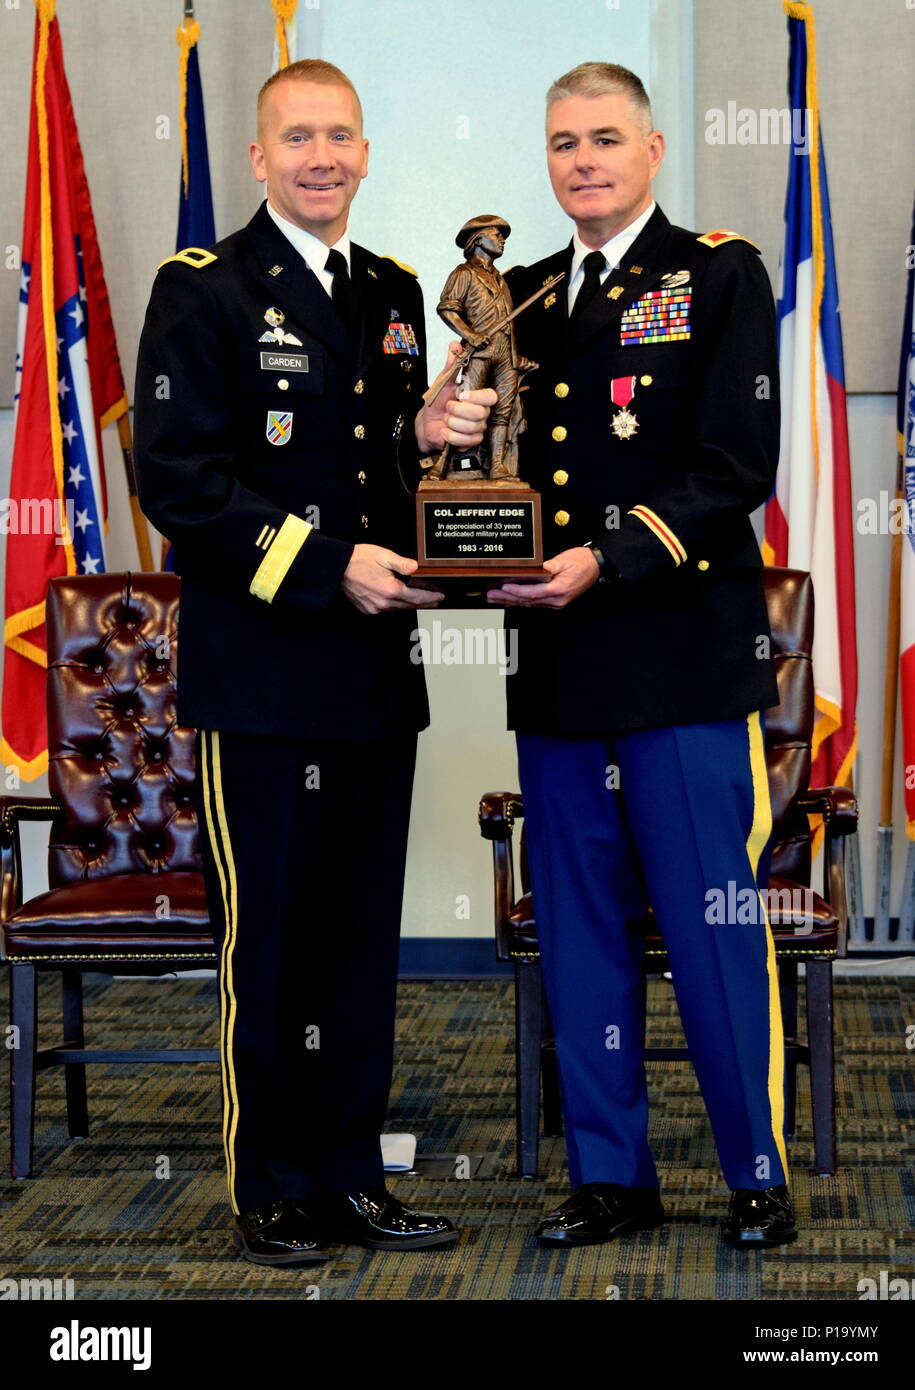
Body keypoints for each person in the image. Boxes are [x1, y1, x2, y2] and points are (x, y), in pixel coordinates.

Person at [134, 59, 495, 1265]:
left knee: (354, 940)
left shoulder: (391, 290)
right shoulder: (204, 290)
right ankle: (270, 1184)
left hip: (372, 672)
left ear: (365, 151)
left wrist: (424, 433)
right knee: (272, 940)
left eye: (340, 134)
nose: (322, 156)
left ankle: (351, 1174)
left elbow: (369, 462)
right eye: (298, 137)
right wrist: (327, 560)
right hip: (264, 674)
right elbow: (180, 485)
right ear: (257, 157)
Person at [489, 61, 796, 1248]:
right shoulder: (511, 301)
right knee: (580, 932)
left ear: (654, 150)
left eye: (605, 137)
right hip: (561, 668)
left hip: (676, 660)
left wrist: (602, 560)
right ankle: (612, 1174)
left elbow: (733, 468)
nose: (582, 160)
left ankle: (754, 1168)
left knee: (713, 923)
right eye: (562, 142)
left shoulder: (716, 275)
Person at [426, 215, 535, 480]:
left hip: (505, 355)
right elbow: (447, 309)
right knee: (463, 413)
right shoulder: (463, 273)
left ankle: (497, 465)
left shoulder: (501, 278)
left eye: (502, 237)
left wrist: (515, 356)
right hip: (480, 353)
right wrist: (470, 335)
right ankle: (441, 466)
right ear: (477, 240)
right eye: (495, 235)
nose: (501, 240)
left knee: (503, 414)